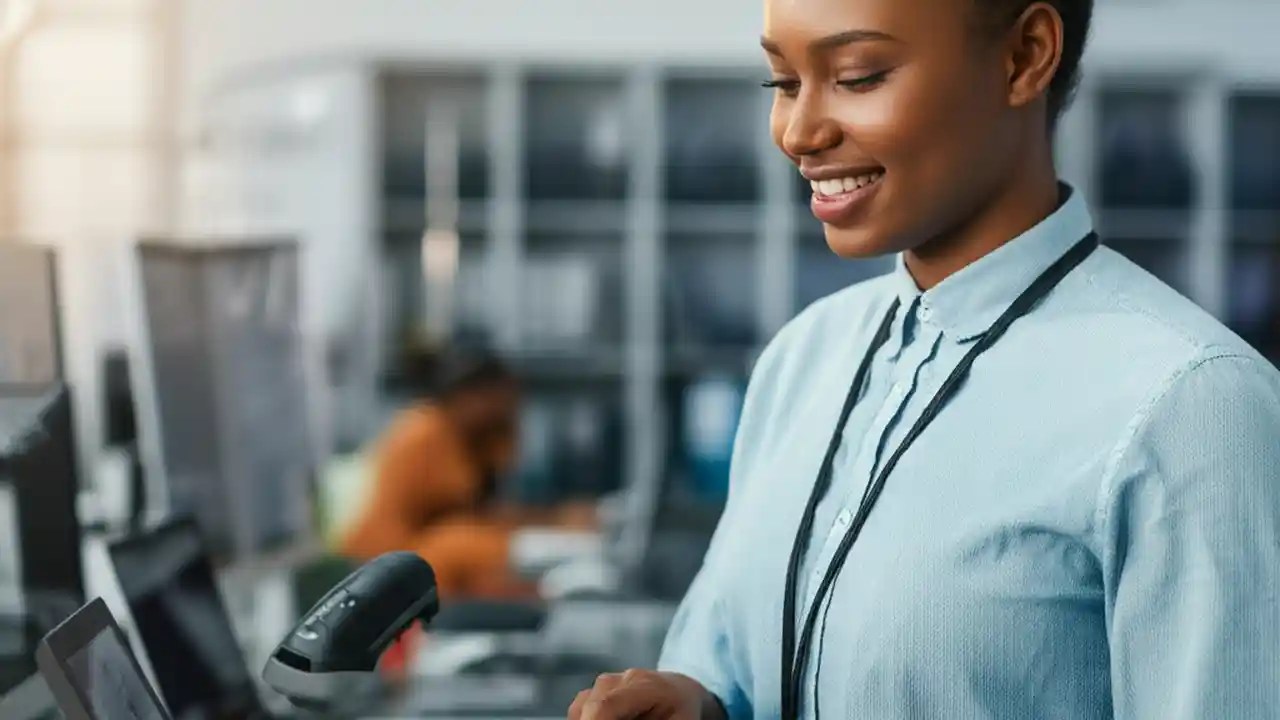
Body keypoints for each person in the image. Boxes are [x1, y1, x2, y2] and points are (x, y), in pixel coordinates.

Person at [570, 0, 1280, 719]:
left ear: (1025, 56)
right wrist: (703, 703)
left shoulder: (1192, 406)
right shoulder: (802, 358)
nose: (798, 132)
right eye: (782, 84)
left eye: (858, 75)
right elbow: (722, 660)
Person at [340, 351, 594, 599]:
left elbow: (487, 506)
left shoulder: (469, 437)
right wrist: (552, 521)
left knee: (480, 547)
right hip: (388, 559)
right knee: (469, 546)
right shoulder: (427, 431)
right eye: (498, 400)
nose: (506, 410)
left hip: (419, 551)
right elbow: (463, 512)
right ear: (469, 395)